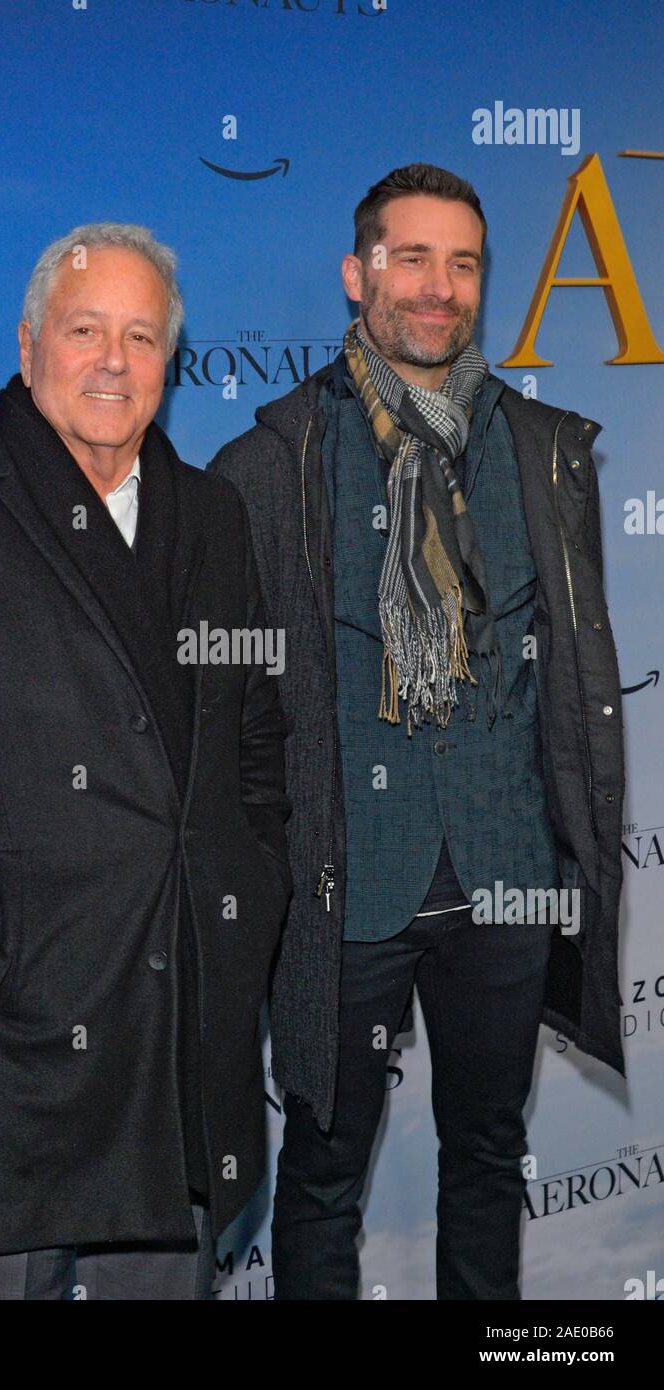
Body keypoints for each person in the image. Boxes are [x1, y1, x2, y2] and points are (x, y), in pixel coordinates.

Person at [0, 222, 292, 1300]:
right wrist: (6, 961)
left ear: (171, 363)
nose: (114, 361)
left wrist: (246, 901)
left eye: (140, 335)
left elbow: (258, 739)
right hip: (12, 1063)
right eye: (86, 330)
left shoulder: (215, 519)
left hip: (184, 1056)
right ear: (30, 343)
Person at [208, 163, 625, 1300]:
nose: (437, 288)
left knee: (488, 1158)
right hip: (347, 889)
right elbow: (230, 705)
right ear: (358, 275)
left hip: (504, 882)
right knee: (323, 1175)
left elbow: (572, 675)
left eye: (463, 262)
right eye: (410, 258)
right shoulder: (268, 466)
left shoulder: (545, 452)